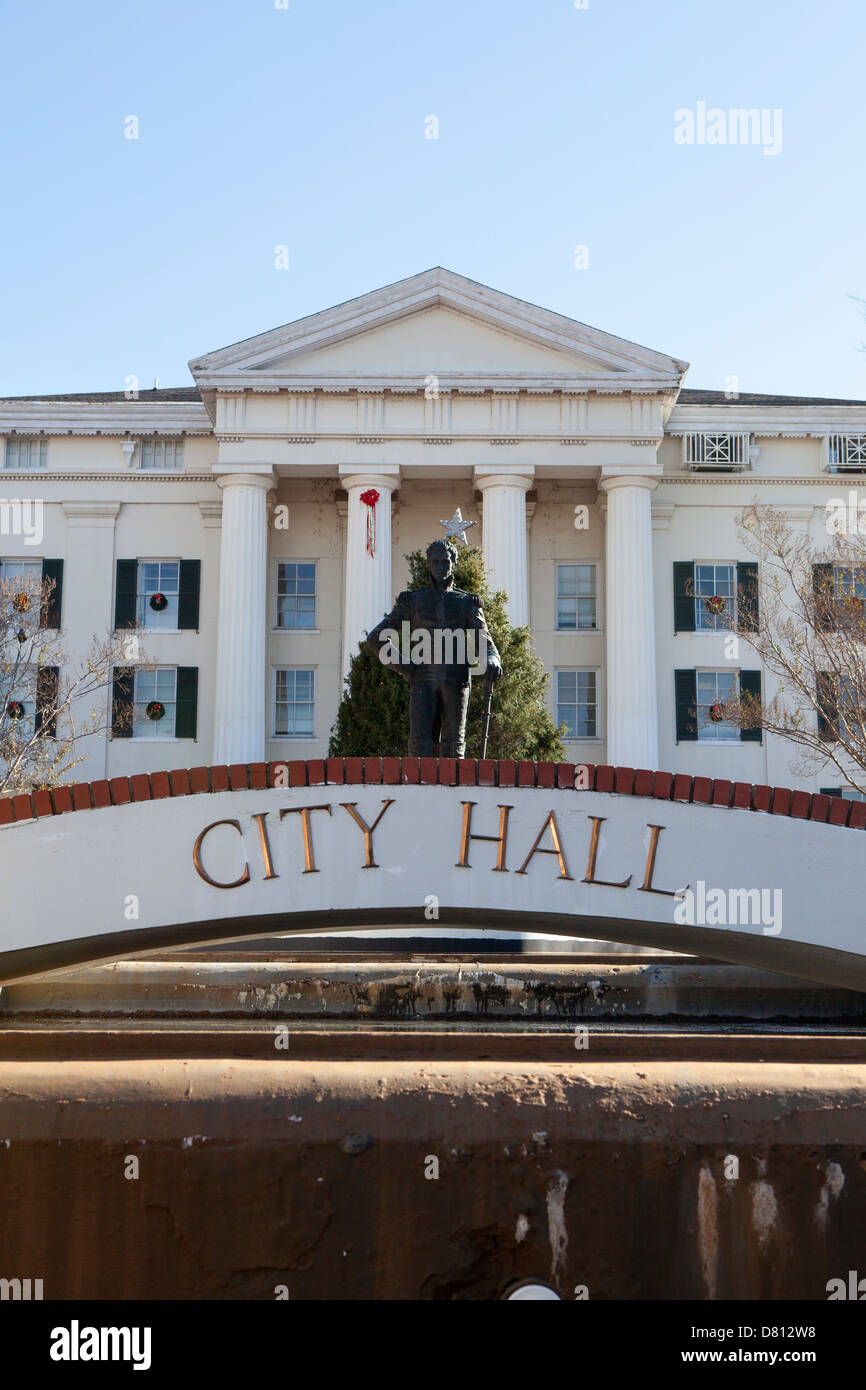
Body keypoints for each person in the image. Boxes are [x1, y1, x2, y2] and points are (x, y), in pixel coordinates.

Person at [364, 538, 502, 757]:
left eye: (446, 562)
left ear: (454, 563)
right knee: (419, 748)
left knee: (454, 749)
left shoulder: (467, 602)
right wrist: (406, 668)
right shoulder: (414, 601)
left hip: (456, 682)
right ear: (428, 563)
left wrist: (492, 659)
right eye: (436, 561)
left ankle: (453, 792)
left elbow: (484, 641)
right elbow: (375, 638)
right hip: (423, 681)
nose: (440, 567)